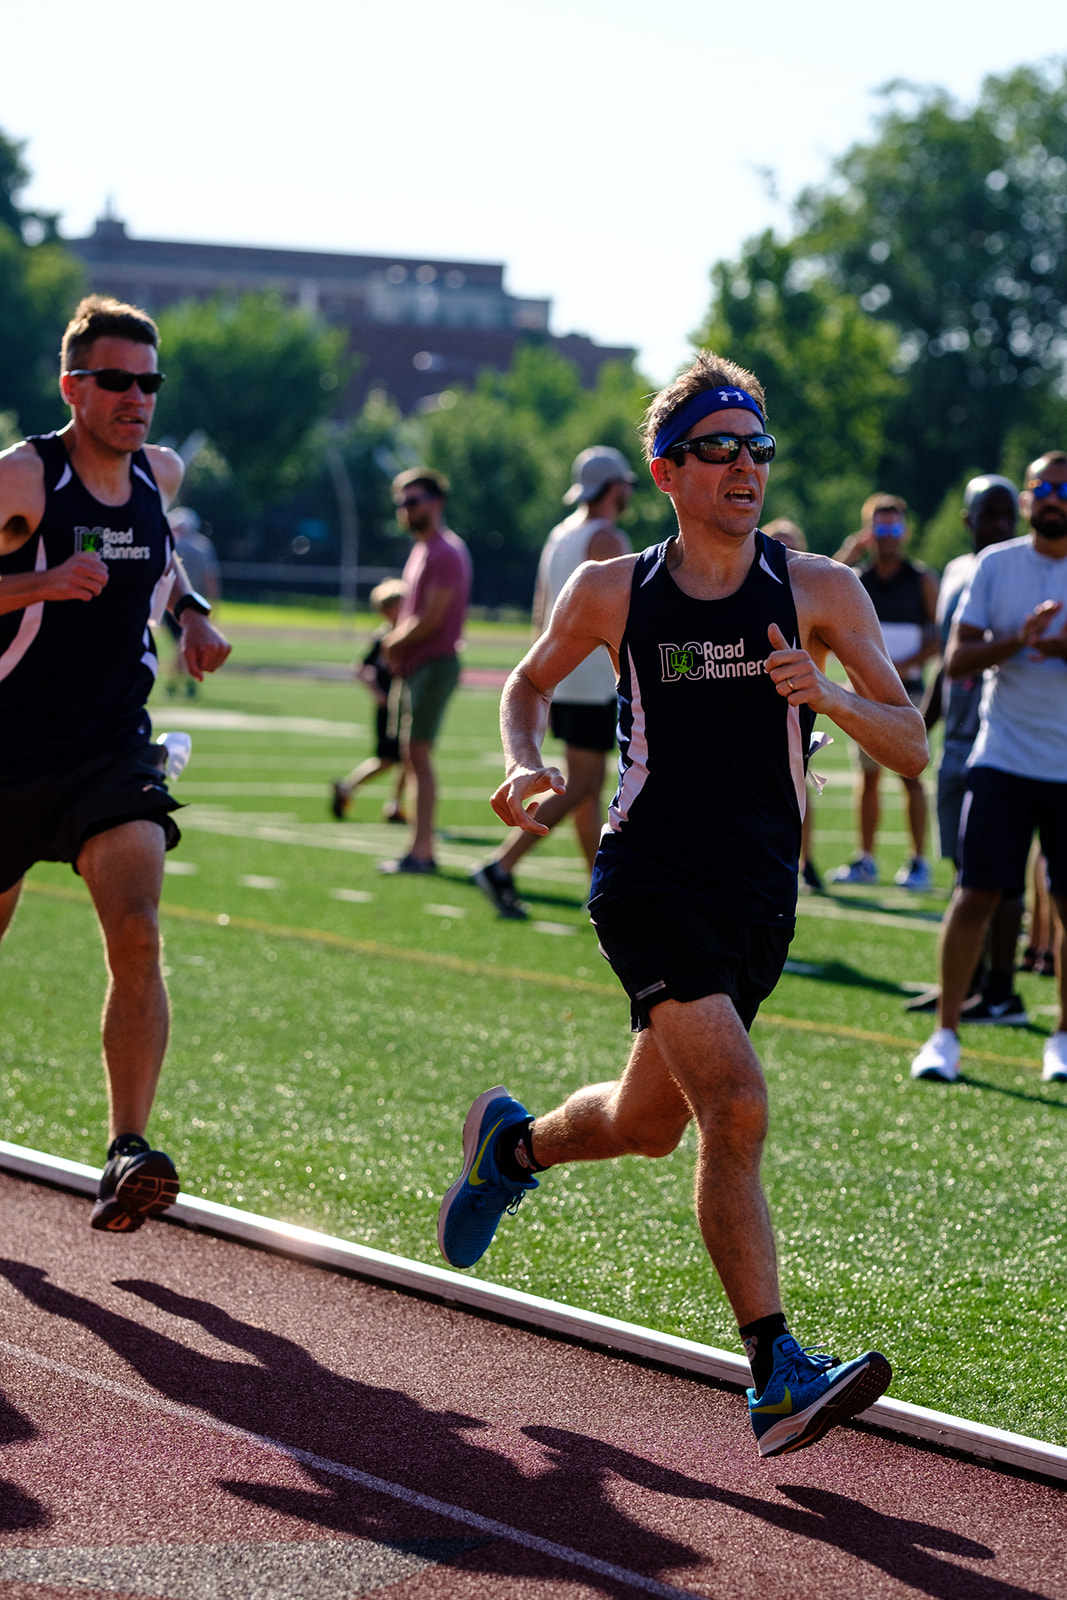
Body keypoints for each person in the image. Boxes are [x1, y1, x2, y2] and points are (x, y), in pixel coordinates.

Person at [438, 351, 927, 1457]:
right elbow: (524, 680)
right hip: (648, 876)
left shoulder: (820, 592)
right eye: (719, 449)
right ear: (668, 470)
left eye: (757, 448)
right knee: (735, 1106)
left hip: (757, 895)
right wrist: (520, 763)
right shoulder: (615, 586)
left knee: (648, 1123)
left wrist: (829, 694)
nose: (744, 467)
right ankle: (772, 1373)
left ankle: (509, 1152)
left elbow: (910, 747)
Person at [0, 294, 231, 1231]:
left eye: (151, 382)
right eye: (118, 381)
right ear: (73, 386)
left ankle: (127, 1148)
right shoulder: (24, 479)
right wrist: (42, 582)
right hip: (7, 746)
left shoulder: (157, 476)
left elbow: (164, 563)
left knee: (136, 928)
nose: (138, 398)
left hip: (108, 748)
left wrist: (192, 616)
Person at [911, 451, 1067, 1085]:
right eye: (1044, 489)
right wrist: (1020, 642)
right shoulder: (997, 565)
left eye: (1064, 488)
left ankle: (1061, 1038)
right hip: (1000, 756)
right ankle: (946, 1033)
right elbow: (956, 660)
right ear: (1028, 501)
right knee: (975, 892)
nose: (1055, 498)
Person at [471, 446, 634, 919]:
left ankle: (596, 886)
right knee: (585, 782)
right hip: (595, 682)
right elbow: (626, 618)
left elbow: (544, 615)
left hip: (561, 679)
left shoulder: (560, 534)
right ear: (613, 487)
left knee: (579, 784)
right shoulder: (607, 537)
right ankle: (502, 865)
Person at [905, 476, 1027, 1022]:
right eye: (990, 514)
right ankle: (969, 980)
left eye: (1008, 515)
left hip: (998, 737)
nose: (1000, 525)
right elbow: (946, 665)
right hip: (955, 737)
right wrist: (919, 723)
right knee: (964, 866)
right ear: (967, 518)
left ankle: (1001, 987)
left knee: (995, 875)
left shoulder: (1020, 570)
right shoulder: (957, 571)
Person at [830, 496, 938, 889]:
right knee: (868, 777)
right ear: (869, 533)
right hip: (864, 694)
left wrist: (900, 665)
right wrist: (847, 552)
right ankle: (866, 860)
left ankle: (918, 862)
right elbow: (817, 593)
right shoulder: (855, 577)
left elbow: (938, 637)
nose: (889, 537)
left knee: (912, 775)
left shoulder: (921, 578)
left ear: (905, 531)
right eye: (881, 529)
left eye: (894, 529)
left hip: (909, 695)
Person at [377, 468, 471, 875]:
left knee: (419, 754)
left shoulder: (445, 552)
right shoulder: (423, 549)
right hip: (417, 665)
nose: (405, 510)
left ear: (437, 503)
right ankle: (418, 846)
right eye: (401, 503)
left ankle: (423, 850)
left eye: (412, 501)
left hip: (434, 664)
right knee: (410, 756)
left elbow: (431, 620)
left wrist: (390, 644)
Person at [765, 518, 822, 892]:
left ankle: (806, 859)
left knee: (794, 784)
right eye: (776, 546)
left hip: (797, 706)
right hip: (756, 706)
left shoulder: (808, 594)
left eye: (790, 548)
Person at [330, 578, 408, 823]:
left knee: (406, 758)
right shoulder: (385, 637)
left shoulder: (402, 633)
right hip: (390, 706)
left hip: (401, 703)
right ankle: (349, 788)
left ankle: (394, 804)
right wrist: (377, 694)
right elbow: (361, 667)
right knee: (390, 759)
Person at [163, 505, 220, 697]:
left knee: (179, 643)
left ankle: (176, 683)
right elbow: (210, 578)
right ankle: (185, 681)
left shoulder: (170, 543)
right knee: (182, 643)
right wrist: (214, 603)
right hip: (194, 603)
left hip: (169, 602)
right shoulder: (202, 546)